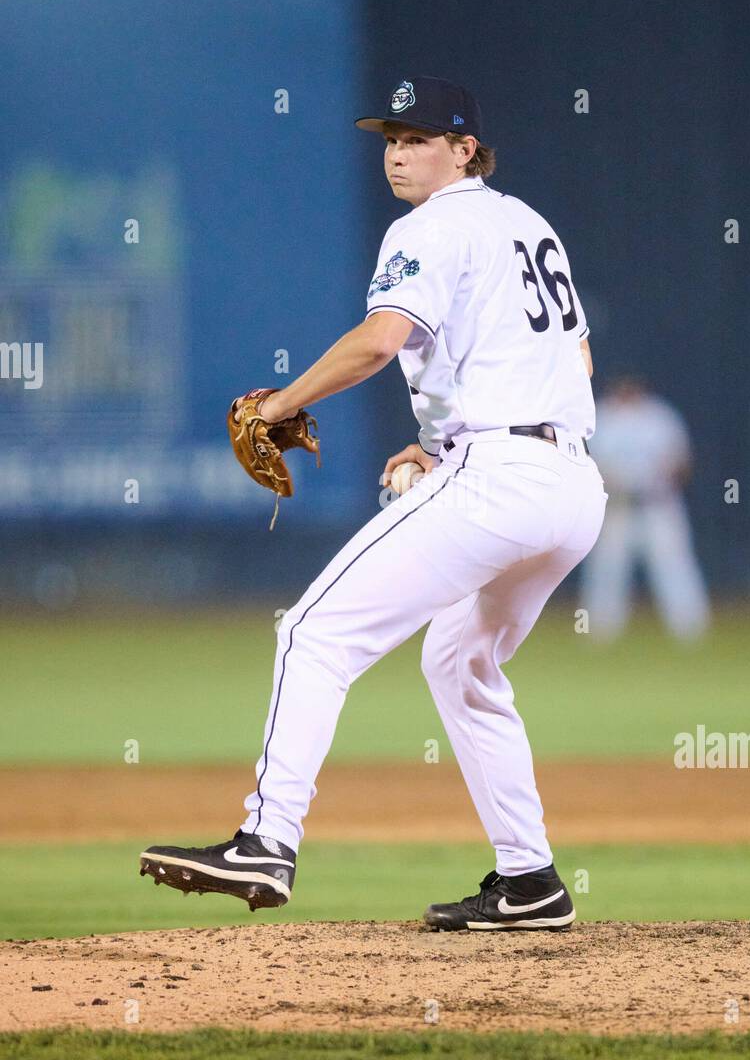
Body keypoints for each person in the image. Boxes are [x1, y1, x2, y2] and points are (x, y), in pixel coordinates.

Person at [140, 75, 607, 931]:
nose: (398, 150)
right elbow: (573, 363)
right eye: (391, 136)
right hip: (573, 484)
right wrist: (446, 444)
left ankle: (265, 839)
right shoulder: (527, 223)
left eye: (420, 136)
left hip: (503, 476)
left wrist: (279, 404)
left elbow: (378, 341)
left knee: (313, 632)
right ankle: (531, 878)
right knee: (460, 662)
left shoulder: (429, 226)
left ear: (465, 149)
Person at [579, 377, 710, 640]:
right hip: (617, 505)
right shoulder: (600, 416)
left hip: (657, 504)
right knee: (607, 571)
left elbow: (681, 461)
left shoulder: (658, 416)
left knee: (674, 566)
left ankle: (690, 628)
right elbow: (586, 461)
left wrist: (663, 477)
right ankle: (599, 631)